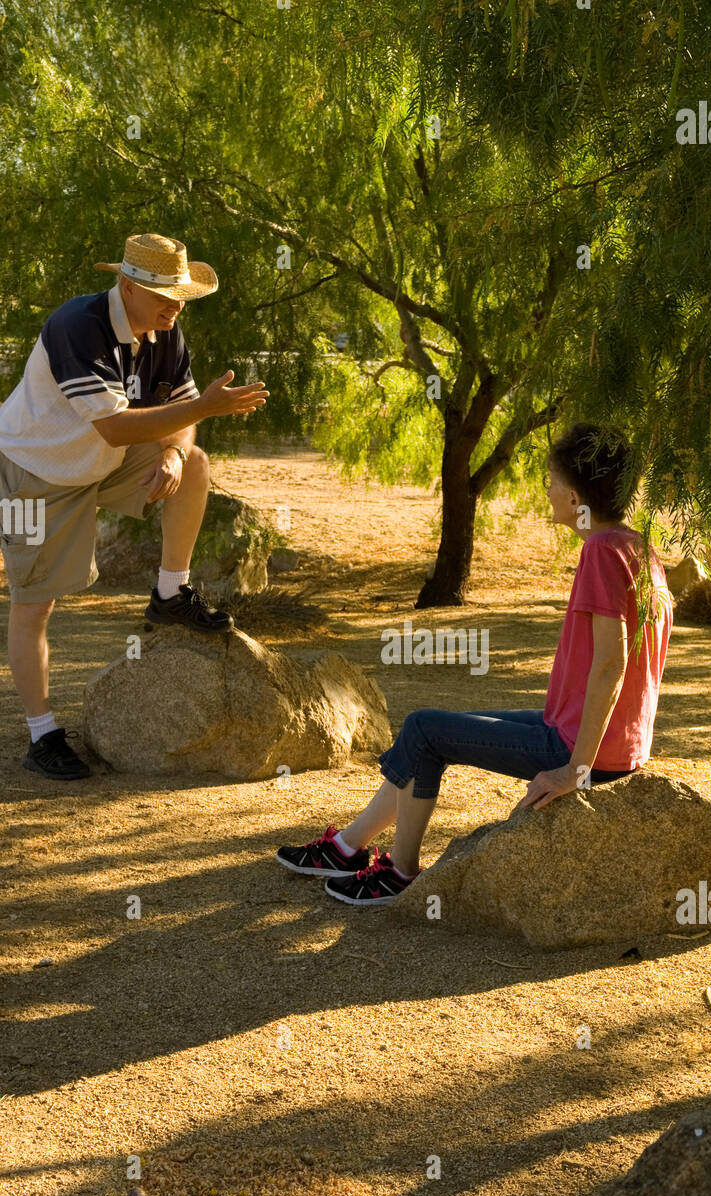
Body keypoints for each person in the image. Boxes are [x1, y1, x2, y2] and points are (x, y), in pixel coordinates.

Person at [276, 422, 673, 905]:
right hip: (613, 742)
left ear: (574, 498)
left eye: (551, 481)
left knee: (423, 729)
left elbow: (612, 665)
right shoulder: (641, 549)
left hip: (582, 750)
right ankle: (346, 847)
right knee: (424, 735)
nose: (545, 491)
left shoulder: (600, 552)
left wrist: (576, 769)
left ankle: (400, 873)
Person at [0, 233, 269, 780]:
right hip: (36, 471)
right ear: (127, 287)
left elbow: (178, 414)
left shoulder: (164, 328)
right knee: (35, 606)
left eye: (181, 295)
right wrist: (206, 408)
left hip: (102, 459)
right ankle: (41, 735)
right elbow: (117, 425)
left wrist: (173, 450)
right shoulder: (77, 325)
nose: (177, 306)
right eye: (167, 295)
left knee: (193, 464)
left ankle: (170, 593)